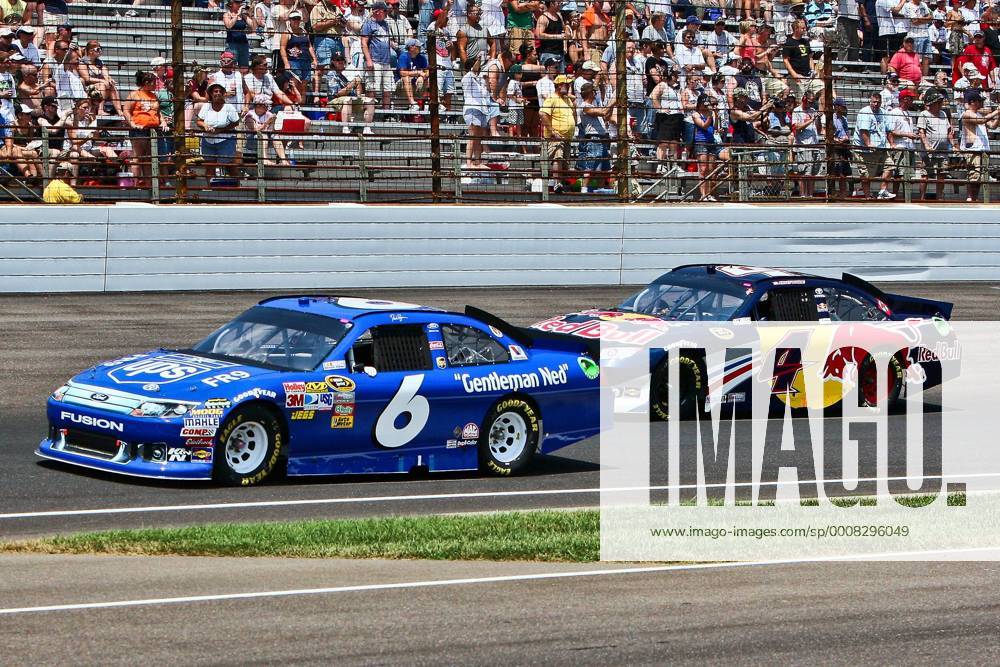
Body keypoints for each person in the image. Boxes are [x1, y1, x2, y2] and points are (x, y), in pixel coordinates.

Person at [123, 71, 165, 188]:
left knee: (148, 159)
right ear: (146, 82)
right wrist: (132, 123)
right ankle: (135, 185)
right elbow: (126, 110)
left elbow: (158, 112)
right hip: (139, 130)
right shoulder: (134, 95)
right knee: (137, 157)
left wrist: (163, 121)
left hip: (153, 130)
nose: (156, 85)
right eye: (154, 82)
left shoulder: (154, 96)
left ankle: (148, 185)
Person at [960, 89, 1000, 201]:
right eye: (979, 101)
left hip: (982, 149)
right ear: (973, 101)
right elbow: (982, 121)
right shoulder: (967, 113)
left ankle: (975, 198)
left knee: (981, 177)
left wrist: (998, 116)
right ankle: (969, 197)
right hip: (973, 149)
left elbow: (992, 126)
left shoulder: (978, 113)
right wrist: (996, 111)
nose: (981, 103)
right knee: (974, 175)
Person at [852, 91, 894, 198]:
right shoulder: (865, 112)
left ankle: (883, 191)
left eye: (878, 102)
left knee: (890, 166)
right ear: (870, 101)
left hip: (881, 148)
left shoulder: (883, 112)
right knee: (866, 174)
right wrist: (869, 144)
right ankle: (867, 196)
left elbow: (888, 130)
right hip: (864, 150)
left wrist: (892, 144)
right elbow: (863, 131)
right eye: (874, 102)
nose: (876, 104)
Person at [197, 81, 240, 180]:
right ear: (211, 94)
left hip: (226, 140)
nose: (217, 93)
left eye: (220, 91)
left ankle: (237, 187)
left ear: (223, 93)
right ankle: (210, 189)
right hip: (207, 140)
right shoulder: (206, 106)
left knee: (230, 166)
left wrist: (221, 130)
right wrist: (205, 126)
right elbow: (199, 121)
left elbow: (236, 122)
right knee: (209, 166)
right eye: (215, 91)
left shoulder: (229, 107)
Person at [539, 73, 575, 187]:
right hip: (556, 136)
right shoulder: (552, 98)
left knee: (565, 162)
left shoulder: (567, 100)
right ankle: (557, 183)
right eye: (566, 85)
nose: (568, 87)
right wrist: (553, 131)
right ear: (559, 85)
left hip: (567, 136)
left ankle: (562, 184)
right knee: (557, 157)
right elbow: (543, 113)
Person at [691, 93, 729, 201]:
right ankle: (703, 195)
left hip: (711, 141)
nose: (707, 105)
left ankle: (709, 194)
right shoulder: (696, 114)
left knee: (710, 170)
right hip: (701, 142)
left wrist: (716, 116)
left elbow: (715, 127)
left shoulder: (710, 113)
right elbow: (704, 125)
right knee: (703, 169)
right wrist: (709, 116)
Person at [916, 88, 953, 200]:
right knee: (925, 174)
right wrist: (927, 145)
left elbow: (948, 131)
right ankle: (922, 197)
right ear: (932, 103)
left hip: (943, 151)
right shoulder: (924, 114)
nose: (940, 104)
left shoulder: (943, 114)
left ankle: (939, 196)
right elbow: (921, 131)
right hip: (929, 152)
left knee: (941, 175)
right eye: (938, 102)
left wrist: (953, 145)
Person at [783, 19, 824, 107]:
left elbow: (810, 57)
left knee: (823, 89)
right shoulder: (789, 43)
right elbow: (786, 60)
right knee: (801, 99)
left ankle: (821, 115)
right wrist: (794, 75)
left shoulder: (806, 41)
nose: (805, 30)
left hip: (809, 76)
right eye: (802, 28)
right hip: (797, 77)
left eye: (805, 28)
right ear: (796, 29)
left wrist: (813, 70)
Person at [886, 87, 919, 195]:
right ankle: (895, 194)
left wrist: (913, 135)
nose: (912, 101)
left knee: (908, 175)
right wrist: (907, 135)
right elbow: (891, 131)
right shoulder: (894, 112)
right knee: (899, 174)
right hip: (900, 146)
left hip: (909, 147)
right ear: (904, 99)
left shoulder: (908, 114)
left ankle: (906, 195)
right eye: (910, 98)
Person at [361, 1, 394, 109]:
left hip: (386, 62)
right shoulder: (368, 24)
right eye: (385, 11)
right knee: (372, 89)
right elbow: (364, 42)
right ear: (378, 11)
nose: (386, 13)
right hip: (374, 60)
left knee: (387, 89)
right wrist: (368, 60)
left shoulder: (386, 24)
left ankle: (386, 114)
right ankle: (370, 113)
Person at [461, 55, 492, 170]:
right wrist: (479, 59)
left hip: (482, 109)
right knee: (472, 137)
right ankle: (469, 162)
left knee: (478, 138)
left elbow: (487, 93)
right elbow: (474, 69)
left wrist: (487, 82)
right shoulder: (467, 77)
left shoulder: (479, 80)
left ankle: (478, 161)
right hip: (472, 109)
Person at [78, 41, 123, 116]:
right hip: (87, 88)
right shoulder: (83, 62)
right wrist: (102, 81)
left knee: (111, 86)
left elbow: (106, 74)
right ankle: (100, 110)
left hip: (100, 87)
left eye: (101, 49)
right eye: (98, 49)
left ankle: (119, 112)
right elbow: (87, 79)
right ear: (91, 51)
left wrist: (109, 79)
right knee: (102, 85)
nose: (100, 51)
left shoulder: (100, 62)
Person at [790, 88, 822, 197]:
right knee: (804, 173)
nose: (811, 104)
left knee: (813, 172)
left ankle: (810, 195)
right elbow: (796, 127)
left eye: (813, 102)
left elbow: (818, 129)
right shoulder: (797, 111)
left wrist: (817, 119)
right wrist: (811, 120)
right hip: (804, 145)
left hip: (814, 144)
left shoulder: (812, 110)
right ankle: (803, 195)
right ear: (804, 99)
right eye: (809, 101)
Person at [281, 10, 319, 97]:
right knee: (295, 84)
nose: (296, 21)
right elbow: (282, 48)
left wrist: (314, 59)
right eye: (294, 19)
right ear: (290, 20)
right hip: (293, 61)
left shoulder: (304, 32)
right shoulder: (286, 33)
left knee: (304, 86)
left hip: (306, 61)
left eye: (298, 19)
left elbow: (309, 46)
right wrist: (286, 63)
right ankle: (295, 105)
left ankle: (301, 106)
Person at [397, 37, 428, 112]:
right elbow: (402, 73)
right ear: (411, 47)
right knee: (406, 77)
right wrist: (418, 72)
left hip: (417, 85)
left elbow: (427, 71)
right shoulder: (403, 56)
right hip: (401, 87)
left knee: (431, 77)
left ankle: (434, 102)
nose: (420, 48)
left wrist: (422, 76)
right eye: (418, 46)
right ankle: (412, 103)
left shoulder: (422, 58)